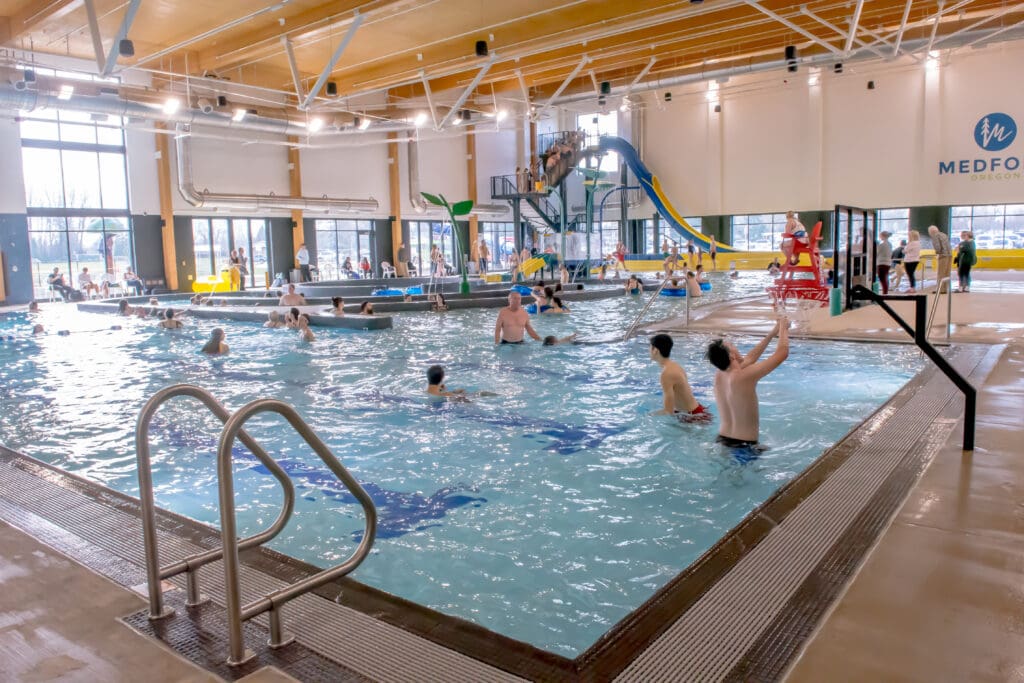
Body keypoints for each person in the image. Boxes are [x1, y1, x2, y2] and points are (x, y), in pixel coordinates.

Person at [706, 316, 790, 451]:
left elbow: (750, 358)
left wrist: (773, 332)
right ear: (731, 356)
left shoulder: (720, 375)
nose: (735, 346)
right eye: (732, 346)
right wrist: (784, 329)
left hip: (721, 440)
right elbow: (782, 353)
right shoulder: (743, 376)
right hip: (744, 447)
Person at [649, 334, 709, 422]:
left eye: (650, 347)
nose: (649, 351)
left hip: (694, 418)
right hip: (696, 411)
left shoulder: (666, 374)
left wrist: (649, 416)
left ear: (655, 350)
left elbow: (668, 411)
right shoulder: (675, 366)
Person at [928, 225, 951, 293]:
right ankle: (945, 289)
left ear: (931, 231)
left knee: (941, 273)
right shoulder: (943, 235)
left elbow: (937, 246)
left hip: (943, 255)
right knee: (946, 273)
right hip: (949, 255)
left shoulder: (935, 236)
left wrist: (937, 253)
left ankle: (940, 289)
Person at [876, 231, 893, 295]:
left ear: (882, 236)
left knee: (882, 278)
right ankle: (885, 291)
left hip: (881, 263)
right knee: (885, 277)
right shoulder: (889, 244)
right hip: (888, 263)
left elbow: (877, 253)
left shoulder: (882, 245)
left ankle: (884, 293)